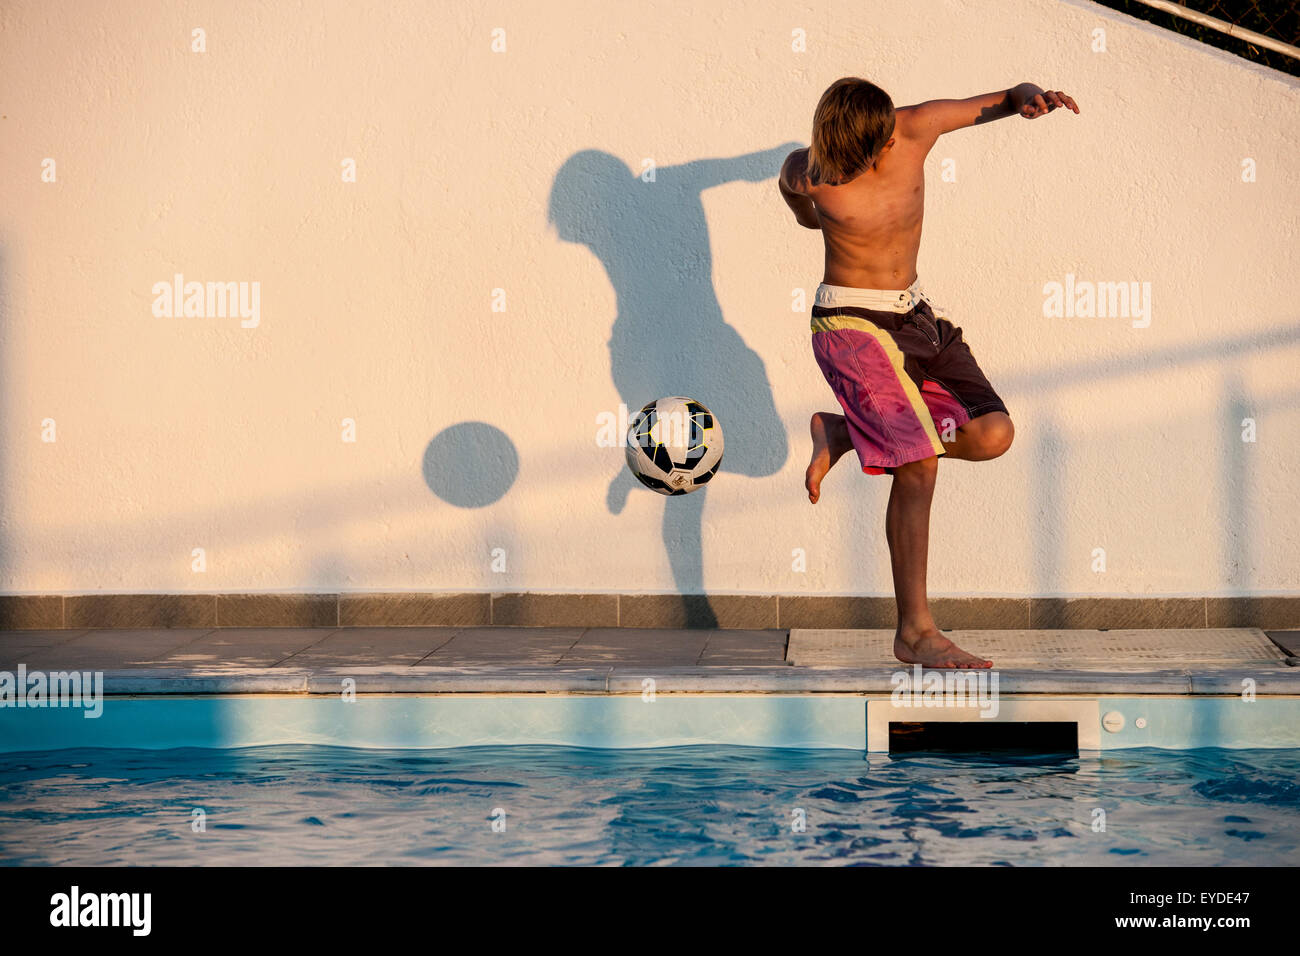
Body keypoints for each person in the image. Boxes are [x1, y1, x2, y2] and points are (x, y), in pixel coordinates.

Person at [779, 78, 1079, 668]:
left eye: (873, 149)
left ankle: (843, 432)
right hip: (850, 327)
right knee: (915, 465)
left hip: (914, 315)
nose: (866, 162)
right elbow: (796, 203)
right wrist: (807, 212)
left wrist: (1028, 97)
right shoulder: (808, 170)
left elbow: (996, 100)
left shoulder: (913, 128)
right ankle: (915, 631)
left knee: (993, 435)